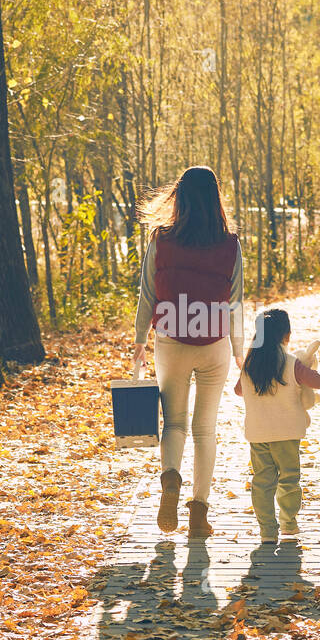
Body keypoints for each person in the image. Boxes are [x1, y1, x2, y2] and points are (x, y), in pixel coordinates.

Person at [134, 166, 244, 537]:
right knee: (205, 429)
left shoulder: (161, 239)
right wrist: (240, 351)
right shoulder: (229, 243)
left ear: (178, 197)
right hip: (214, 343)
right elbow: (235, 302)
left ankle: (170, 480)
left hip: (172, 339)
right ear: (215, 199)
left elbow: (147, 292)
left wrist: (138, 341)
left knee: (175, 422)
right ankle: (199, 510)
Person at [233, 309, 320, 543]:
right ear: (286, 335)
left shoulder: (250, 365)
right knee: (289, 479)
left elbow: (238, 390)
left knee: (262, 481)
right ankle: (289, 524)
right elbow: (319, 382)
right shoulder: (291, 363)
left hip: (258, 433)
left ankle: (267, 531)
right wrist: (309, 365)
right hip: (286, 433)